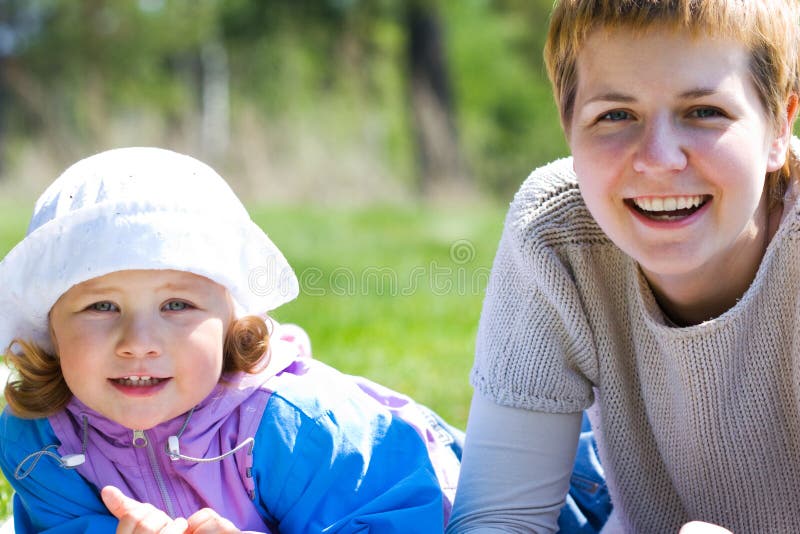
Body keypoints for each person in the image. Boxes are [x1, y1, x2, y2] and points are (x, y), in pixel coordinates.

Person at [446, 0, 800, 532]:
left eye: (704, 111)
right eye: (615, 115)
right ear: (568, 129)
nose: (659, 158)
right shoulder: (555, 233)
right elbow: (502, 516)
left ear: (778, 128)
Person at [0, 147, 462, 533]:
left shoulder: (295, 425)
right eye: (102, 306)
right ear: (48, 326)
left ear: (231, 320)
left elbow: (393, 516)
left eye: (176, 305)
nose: (138, 343)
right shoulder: (42, 444)